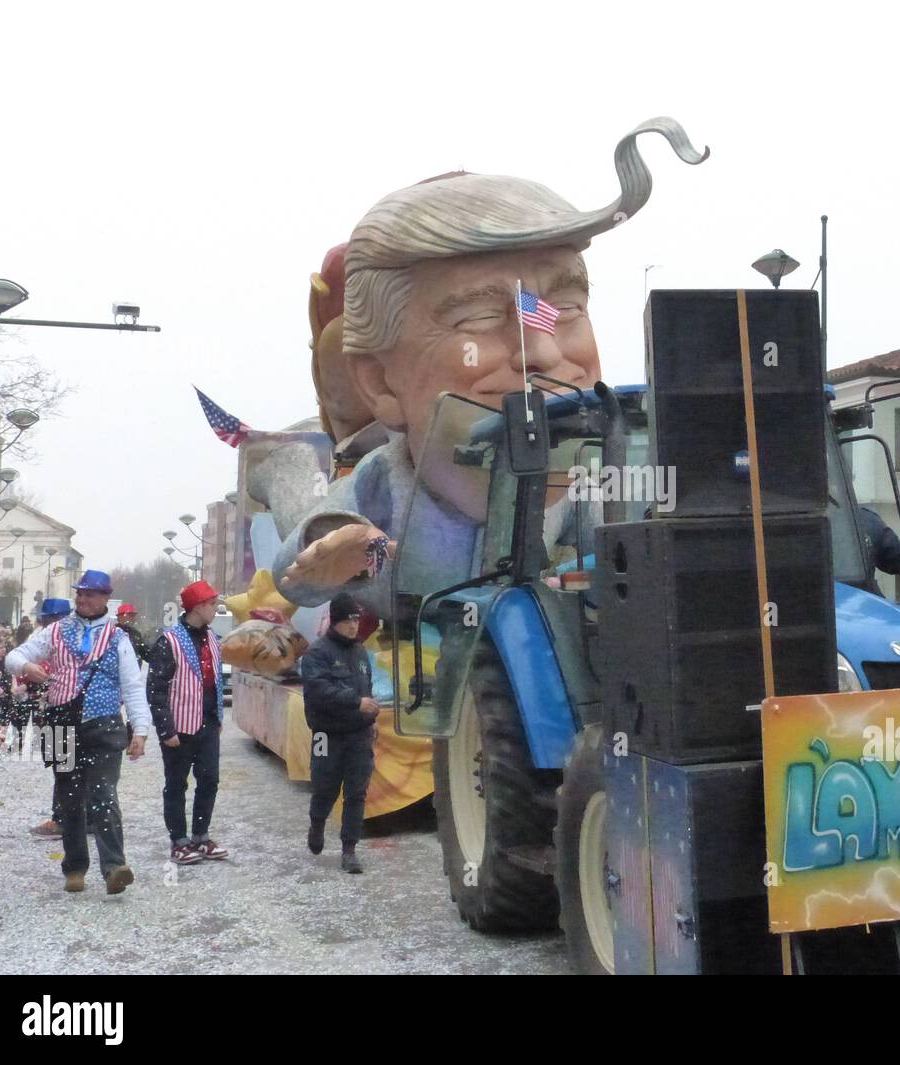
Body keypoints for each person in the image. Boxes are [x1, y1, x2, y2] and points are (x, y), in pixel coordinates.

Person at [269, 119, 708, 616]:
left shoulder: (571, 489)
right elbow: (301, 571)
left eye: (564, 310)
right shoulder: (387, 483)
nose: (541, 352)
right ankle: (281, 467)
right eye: (478, 316)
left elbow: (624, 545)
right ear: (380, 381)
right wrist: (339, 546)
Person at [6, 570, 151, 894]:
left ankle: (115, 866)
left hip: (103, 724)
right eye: (80, 593)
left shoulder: (119, 639)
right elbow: (14, 656)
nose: (83, 598)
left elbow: (132, 687)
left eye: (90, 594)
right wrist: (26, 667)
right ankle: (74, 868)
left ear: (104, 598)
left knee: (103, 796)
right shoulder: (54, 631)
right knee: (69, 799)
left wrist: (140, 730)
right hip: (60, 723)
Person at [146, 580, 229, 864]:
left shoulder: (213, 639)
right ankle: (179, 840)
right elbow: (156, 688)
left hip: (207, 723)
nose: (216, 609)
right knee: (176, 784)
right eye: (212, 604)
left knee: (210, 780)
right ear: (197, 607)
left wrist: (218, 715)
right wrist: (165, 728)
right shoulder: (169, 640)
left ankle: (201, 835)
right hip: (179, 727)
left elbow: (215, 681)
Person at [300, 592, 377, 874]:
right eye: (348, 621)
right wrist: (355, 701)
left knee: (357, 793)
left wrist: (371, 717)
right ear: (335, 621)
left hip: (359, 734)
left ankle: (349, 850)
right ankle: (317, 825)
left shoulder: (360, 653)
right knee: (325, 789)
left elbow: (367, 689)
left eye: (356, 620)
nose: (354, 626)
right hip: (326, 735)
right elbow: (318, 691)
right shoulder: (317, 654)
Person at [18, 599, 74, 841]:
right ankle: (71, 816)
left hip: (60, 710)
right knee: (61, 764)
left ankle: (63, 819)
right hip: (50, 711)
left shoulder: (62, 641)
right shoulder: (46, 639)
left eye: (47, 619)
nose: (43, 624)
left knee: (64, 766)